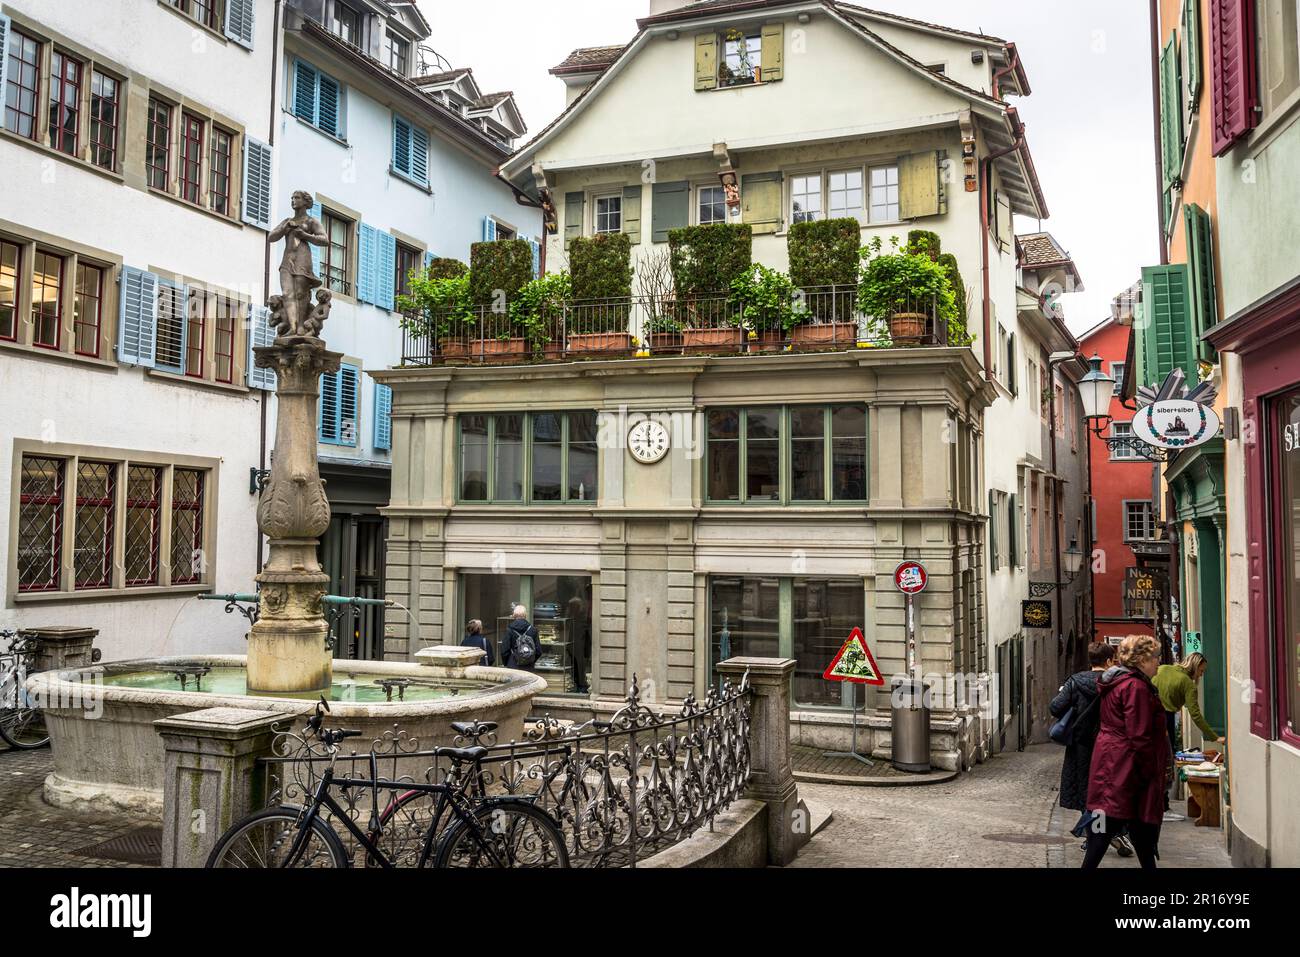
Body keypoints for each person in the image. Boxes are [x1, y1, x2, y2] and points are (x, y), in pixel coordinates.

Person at [1082, 634, 1169, 870]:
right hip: (1126, 767)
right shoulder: (1135, 687)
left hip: (1110, 761)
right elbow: (1139, 734)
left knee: (1109, 823)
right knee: (1119, 823)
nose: (1158, 663)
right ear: (1141, 660)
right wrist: (1151, 770)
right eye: (1155, 658)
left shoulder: (1117, 682)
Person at [1050, 642, 1134, 857]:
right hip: (1110, 745)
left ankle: (1095, 835)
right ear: (1108, 661)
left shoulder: (1076, 682)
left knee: (1087, 792)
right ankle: (1103, 833)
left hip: (1081, 746)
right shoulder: (1116, 682)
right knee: (1107, 790)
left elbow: (1055, 707)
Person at [1153, 652, 1224, 822]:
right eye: (1201, 671)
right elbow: (1196, 715)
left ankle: (1154, 806)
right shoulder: (1188, 684)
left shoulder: (1162, 669)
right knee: (1166, 764)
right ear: (1195, 666)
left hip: (1149, 717)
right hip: (1166, 720)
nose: (1201, 674)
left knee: (1154, 762)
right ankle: (1163, 807)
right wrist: (1214, 737)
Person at [500, 604, 540, 671]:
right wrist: (530, 659)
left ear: (514, 615)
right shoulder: (533, 630)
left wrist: (507, 663)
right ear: (525, 615)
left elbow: (504, 651)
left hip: (513, 665)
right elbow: (538, 651)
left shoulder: (510, 630)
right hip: (529, 667)